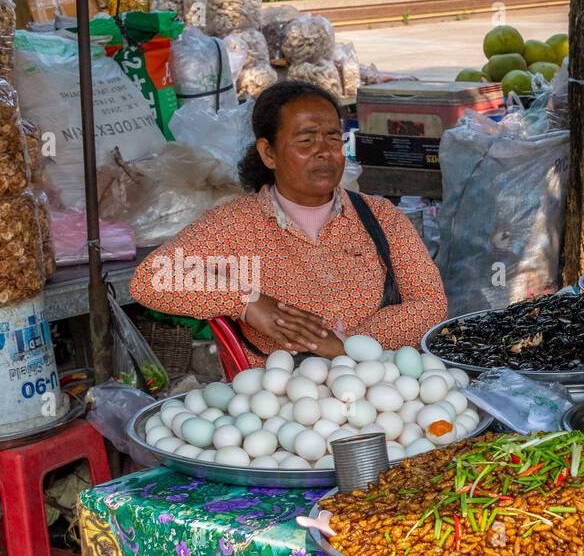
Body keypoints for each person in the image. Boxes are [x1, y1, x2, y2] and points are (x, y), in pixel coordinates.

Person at [132, 81, 446, 362]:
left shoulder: (380, 217)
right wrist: (248, 302)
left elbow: (431, 305)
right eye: (306, 140)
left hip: (379, 386)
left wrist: (347, 345)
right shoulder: (235, 225)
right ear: (269, 153)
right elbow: (151, 278)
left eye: (333, 138)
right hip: (282, 397)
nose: (324, 151)